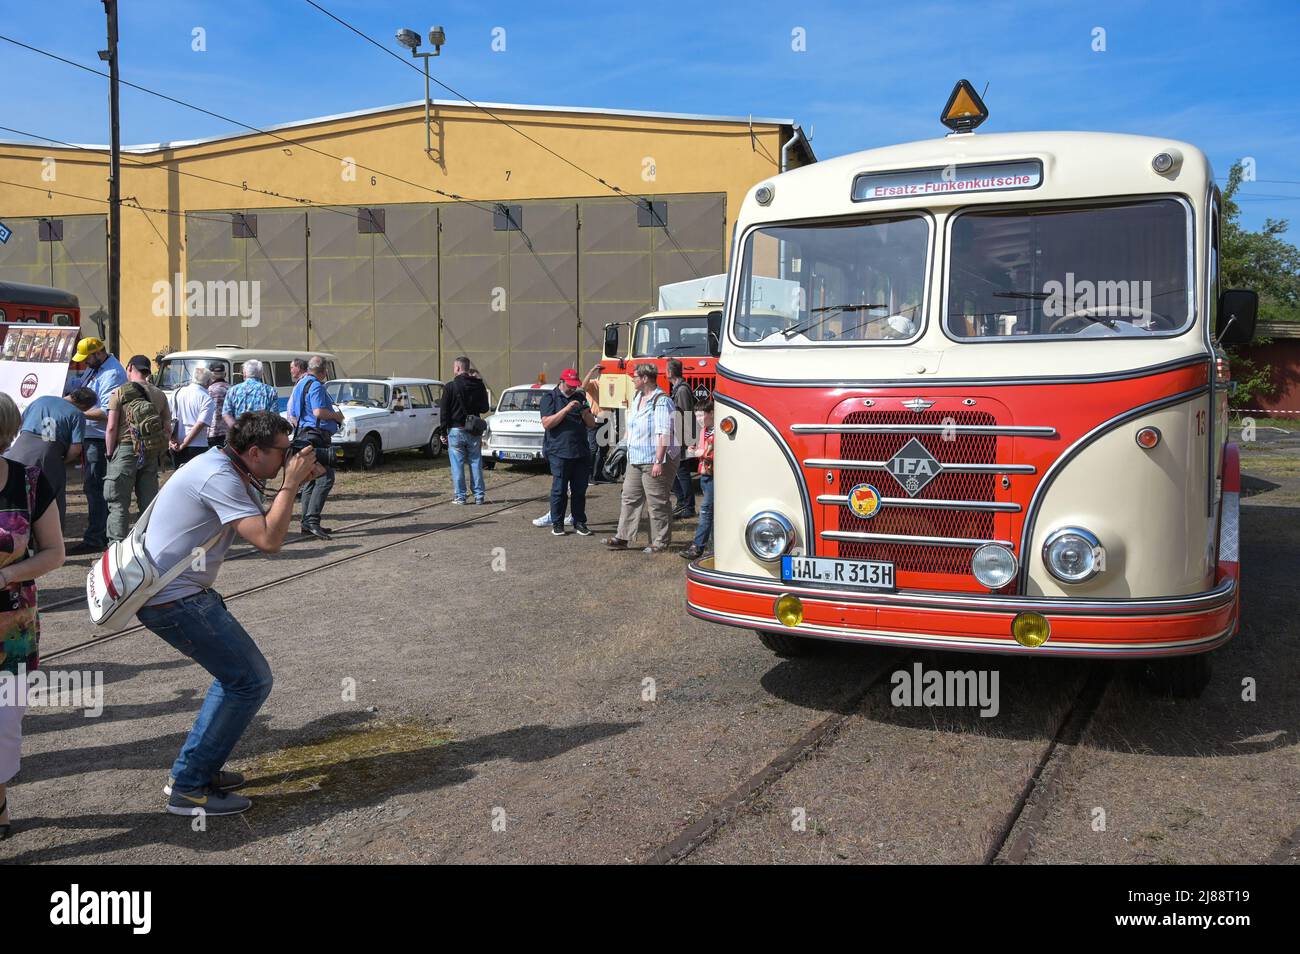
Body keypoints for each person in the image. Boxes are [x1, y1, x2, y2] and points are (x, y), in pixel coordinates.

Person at [138, 411, 324, 816]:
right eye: (282, 451)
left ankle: (196, 770)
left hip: (176, 593)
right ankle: (188, 788)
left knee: (236, 677)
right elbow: (269, 539)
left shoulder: (224, 466)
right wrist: (290, 485)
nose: (287, 458)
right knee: (250, 681)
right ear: (255, 451)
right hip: (174, 598)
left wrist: (290, 483)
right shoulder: (219, 476)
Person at [0, 392, 66, 838]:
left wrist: (8, 576)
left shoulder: (28, 482)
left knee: (3, 728)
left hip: (12, 631)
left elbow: (56, 553)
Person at [602, 363, 678, 554]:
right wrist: (621, 447)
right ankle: (623, 537)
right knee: (629, 497)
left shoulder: (661, 401)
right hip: (635, 458)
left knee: (657, 502)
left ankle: (660, 542)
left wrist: (658, 461)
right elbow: (632, 426)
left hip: (653, 459)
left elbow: (664, 433)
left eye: (634, 376)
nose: (632, 378)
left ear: (645, 378)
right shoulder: (637, 397)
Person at [67, 337, 127, 555]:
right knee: (92, 486)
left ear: (98, 353)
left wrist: (75, 413)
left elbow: (107, 411)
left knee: (96, 487)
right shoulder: (96, 368)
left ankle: (96, 537)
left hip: (99, 439)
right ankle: (97, 534)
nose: (83, 363)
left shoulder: (112, 374)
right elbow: (81, 393)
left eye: (86, 358)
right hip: (92, 436)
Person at [104, 355, 173, 546]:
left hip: (125, 450)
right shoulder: (159, 394)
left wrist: (110, 454)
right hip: (150, 451)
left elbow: (111, 427)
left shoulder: (118, 392)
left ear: (130, 368)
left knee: (118, 503)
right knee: (148, 503)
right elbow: (167, 427)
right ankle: (147, 546)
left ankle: (115, 548)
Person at [4, 388, 96, 528]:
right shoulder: (77, 414)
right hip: (47, 456)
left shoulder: (42, 399)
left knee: (15, 490)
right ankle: (49, 536)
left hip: (18, 450)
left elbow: (20, 423)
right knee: (51, 496)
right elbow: (76, 448)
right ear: (84, 406)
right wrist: (61, 460)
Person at [288, 355, 342, 539]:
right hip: (317, 437)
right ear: (324, 370)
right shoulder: (316, 385)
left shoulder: (299, 385)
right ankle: (312, 521)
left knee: (312, 478)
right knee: (326, 477)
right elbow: (319, 412)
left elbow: (293, 415)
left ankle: (306, 523)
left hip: (304, 435)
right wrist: (336, 417)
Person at [540, 369, 598, 536]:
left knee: (579, 490)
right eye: (570, 386)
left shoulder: (580, 397)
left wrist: (584, 412)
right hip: (559, 451)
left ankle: (579, 522)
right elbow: (547, 424)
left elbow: (591, 424)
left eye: (575, 386)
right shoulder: (549, 398)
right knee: (559, 490)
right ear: (562, 382)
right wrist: (566, 410)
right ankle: (557, 523)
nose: (573, 389)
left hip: (580, 451)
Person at [439, 355, 490, 505]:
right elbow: (485, 408)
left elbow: (444, 412)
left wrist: (443, 433)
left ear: (458, 368)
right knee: (475, 461)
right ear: (468, 369)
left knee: (457, 465)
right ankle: (479, 496)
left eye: (454, 367)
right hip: (473, 430)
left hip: (455, 431)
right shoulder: (479, 385)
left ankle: (460, 497)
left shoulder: (449, 387)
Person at [680, 400, 715, 561]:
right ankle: (713, 546)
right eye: (697, 416)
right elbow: (702, 449)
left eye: (702, 415)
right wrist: (694, 450)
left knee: (707, 510)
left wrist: (697, 453)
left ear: (711, 413)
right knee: (712, 511)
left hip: (714, 475)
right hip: (705, 475)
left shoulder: (718, 432)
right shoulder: (704, 431)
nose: (699, 419)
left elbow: (712, 452)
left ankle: (698, 546)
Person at [667, 359, 696, 518]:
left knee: (682, 472)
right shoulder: (678, 389)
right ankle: (682, 501)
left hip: (681, 438)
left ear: (670, 372)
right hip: (678, 437)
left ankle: (688, 506)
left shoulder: (682, 390)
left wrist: (686, 440)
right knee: (674, 471)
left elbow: (685, 415)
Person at [171, 365, 215, 467]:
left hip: (175, 443)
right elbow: (200, 424)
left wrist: (170, 440)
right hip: (197, 446)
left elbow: (168, 417)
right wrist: (184, 444)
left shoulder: (176, 392)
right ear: (208, 382)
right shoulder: (207, 399)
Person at [222, 359, 279, 426]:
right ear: (261, 374)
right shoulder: (270, 391)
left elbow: (226, 414)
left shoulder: (233, 390)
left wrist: (236, 429)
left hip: (241, 432)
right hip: (263, 433)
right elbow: (274, 416)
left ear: (245, 373)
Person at [582, 364, 611, 484]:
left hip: (606, 419)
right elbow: (583, 386)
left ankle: (598, 474)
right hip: (594, 419)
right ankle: (588, 476)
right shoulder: (593, 383)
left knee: (604, 448)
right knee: (593, 448)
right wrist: (592, 370)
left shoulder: (610, 385)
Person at [206, 363, 230, 449]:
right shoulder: (232, 389)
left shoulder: (207, 390)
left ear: (210, 375)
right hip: (228, 433)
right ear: (225, 374)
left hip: (211, 432)